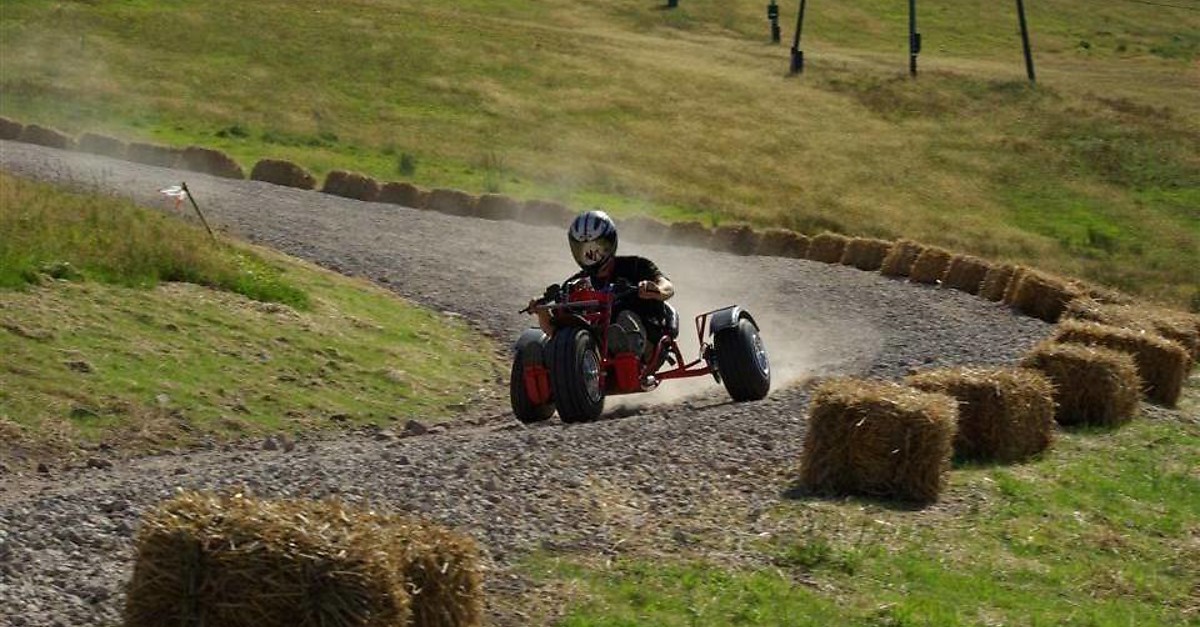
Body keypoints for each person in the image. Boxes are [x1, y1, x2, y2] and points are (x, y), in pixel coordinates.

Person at [528, 210, 676, 362]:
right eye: (584, 251)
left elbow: (667, 286)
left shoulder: (636, 266)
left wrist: (656, 290)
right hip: (595, 346)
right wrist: (542, 312)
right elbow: (554, 331)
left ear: (609, 244)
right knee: (548, 334)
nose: (591, 256)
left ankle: (629, 354)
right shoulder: (575, 283)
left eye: (596, 249)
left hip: (647, 339)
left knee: (624, 318)